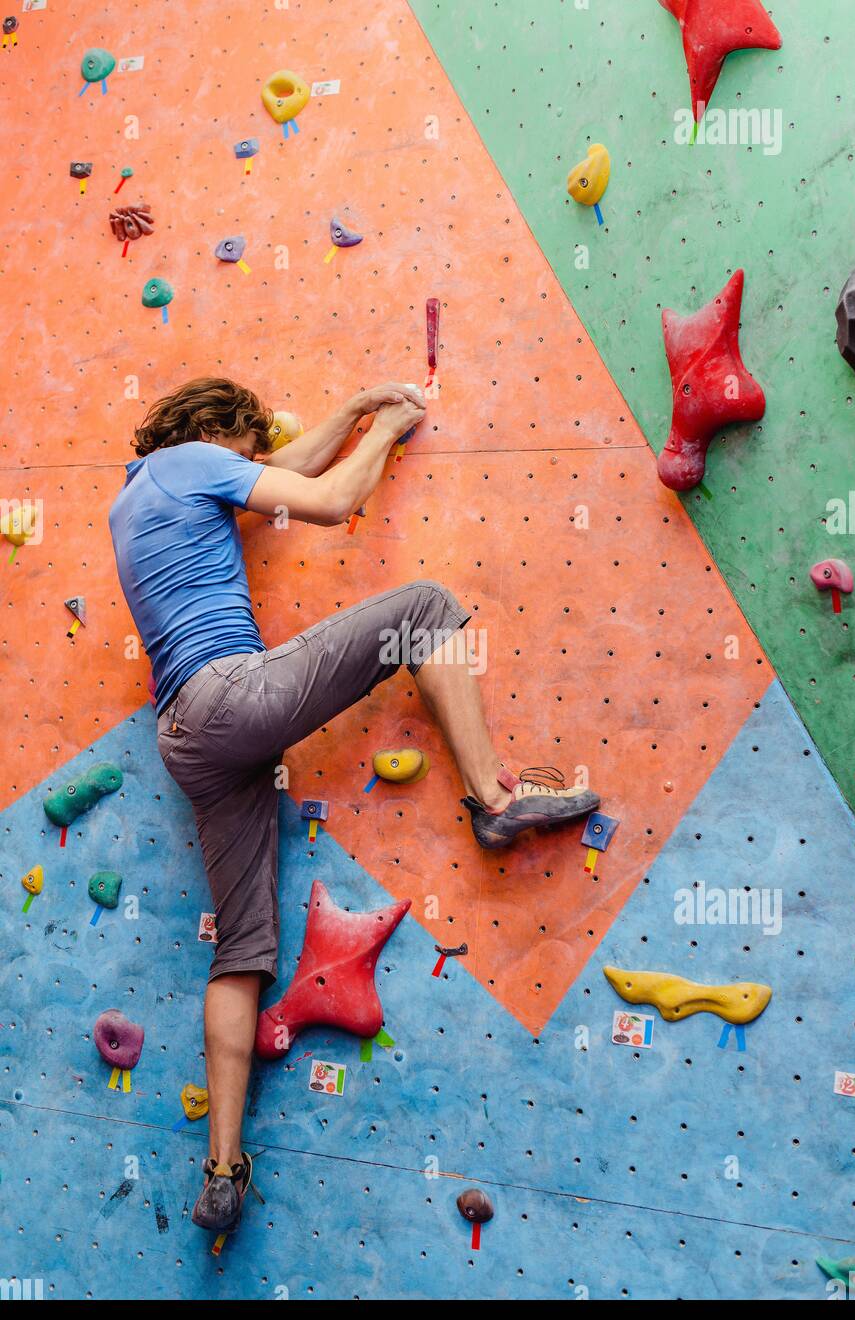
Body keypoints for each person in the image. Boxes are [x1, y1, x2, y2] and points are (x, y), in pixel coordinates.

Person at [109, 376, 600, 1234]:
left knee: (243, 951)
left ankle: (223, 1171)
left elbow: (278, 483)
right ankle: (494, 797)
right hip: (234, 695)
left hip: (187, 734)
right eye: (249, 447)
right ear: (215, 432)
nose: (258, 462)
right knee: (428, 607)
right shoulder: (195, 461)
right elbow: (327, 499)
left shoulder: (144, 495)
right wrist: (392, 430)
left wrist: (350, 408)